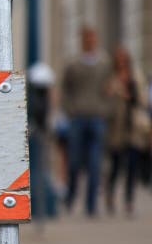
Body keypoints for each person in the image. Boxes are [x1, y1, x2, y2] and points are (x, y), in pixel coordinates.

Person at [60, 26, 112, 216]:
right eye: (87, 38)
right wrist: (69, 110)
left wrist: (106, 110)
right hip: (78, 117)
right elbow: (65, 89)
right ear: (82, 41)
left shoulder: (104, 63)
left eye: (92, 38)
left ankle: (91, 206)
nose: (90, 42)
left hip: (97, 117)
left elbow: (109, 88)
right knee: (74, 161)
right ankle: (71, 195)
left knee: (95, 163)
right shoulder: (73, 64)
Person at [104, 46, 151, 216]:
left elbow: (143, 100)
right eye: (119, 60)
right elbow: (105, 99)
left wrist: (129, 95)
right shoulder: (111, 78)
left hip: (133, 127)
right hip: (117, 127)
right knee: (116, 164)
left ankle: (129, 200)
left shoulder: (135, 76)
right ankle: (110, 194)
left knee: (132, 165)